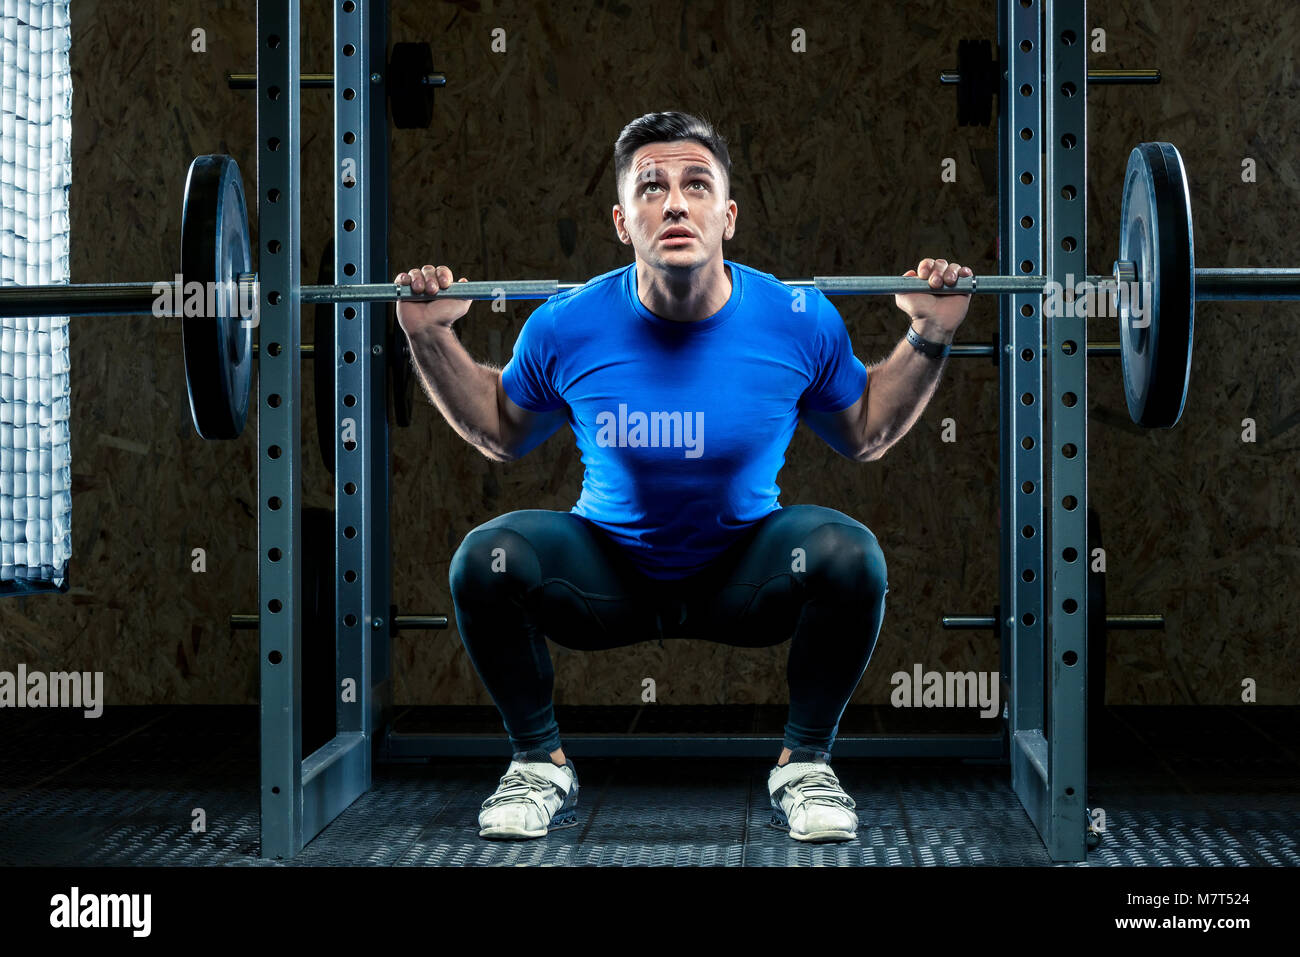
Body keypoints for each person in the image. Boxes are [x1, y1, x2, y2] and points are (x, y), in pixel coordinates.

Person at [395, 111, 973, 843]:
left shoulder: (799, 319)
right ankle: (539, 764)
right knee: (487, 560)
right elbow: (501, 431)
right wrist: (429, 335)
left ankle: (805, 765)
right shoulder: (565, 323)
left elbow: (866, 432)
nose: (674, 202)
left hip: (745, 574)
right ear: (621, 219)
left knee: (850, 555)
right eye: (651, 187)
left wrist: (930, 333)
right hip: (607, 574)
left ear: (727, 216)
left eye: (696, 185)